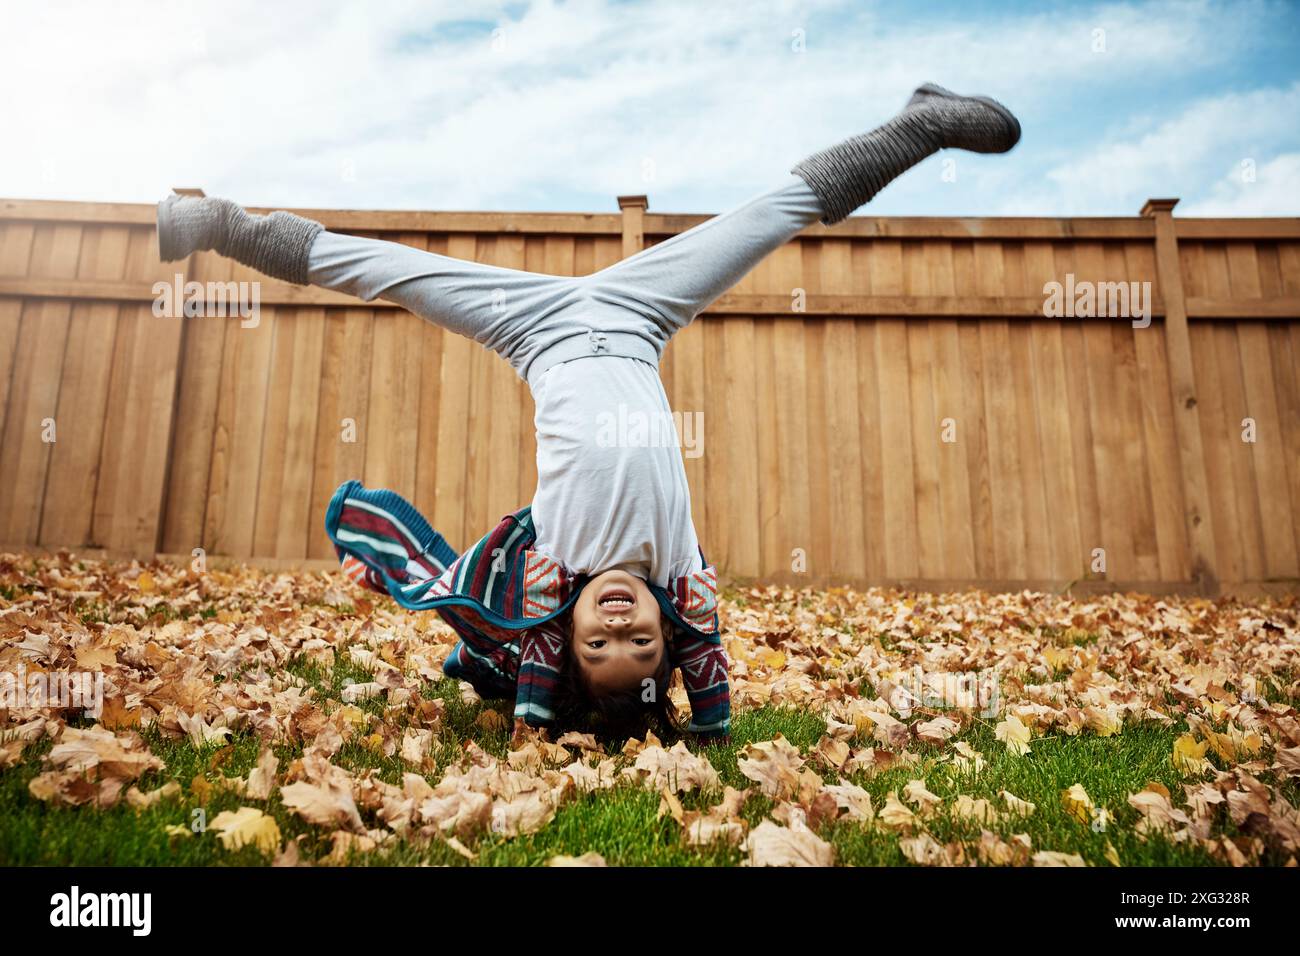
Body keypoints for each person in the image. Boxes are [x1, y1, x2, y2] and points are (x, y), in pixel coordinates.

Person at [156, 82, 1021, 744]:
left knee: (383, 269)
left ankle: (218, 223)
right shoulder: (676, 565)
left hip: (535, 331)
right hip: (640, 318)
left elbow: (503, 644)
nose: (619, 631)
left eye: (597, 649)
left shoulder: (553, 564)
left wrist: (394, 581)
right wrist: (709, 721)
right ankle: (922, 121)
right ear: (669, 630)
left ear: (561, 628)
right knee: (775, 214)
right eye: (643, 649)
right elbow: (706, 680)